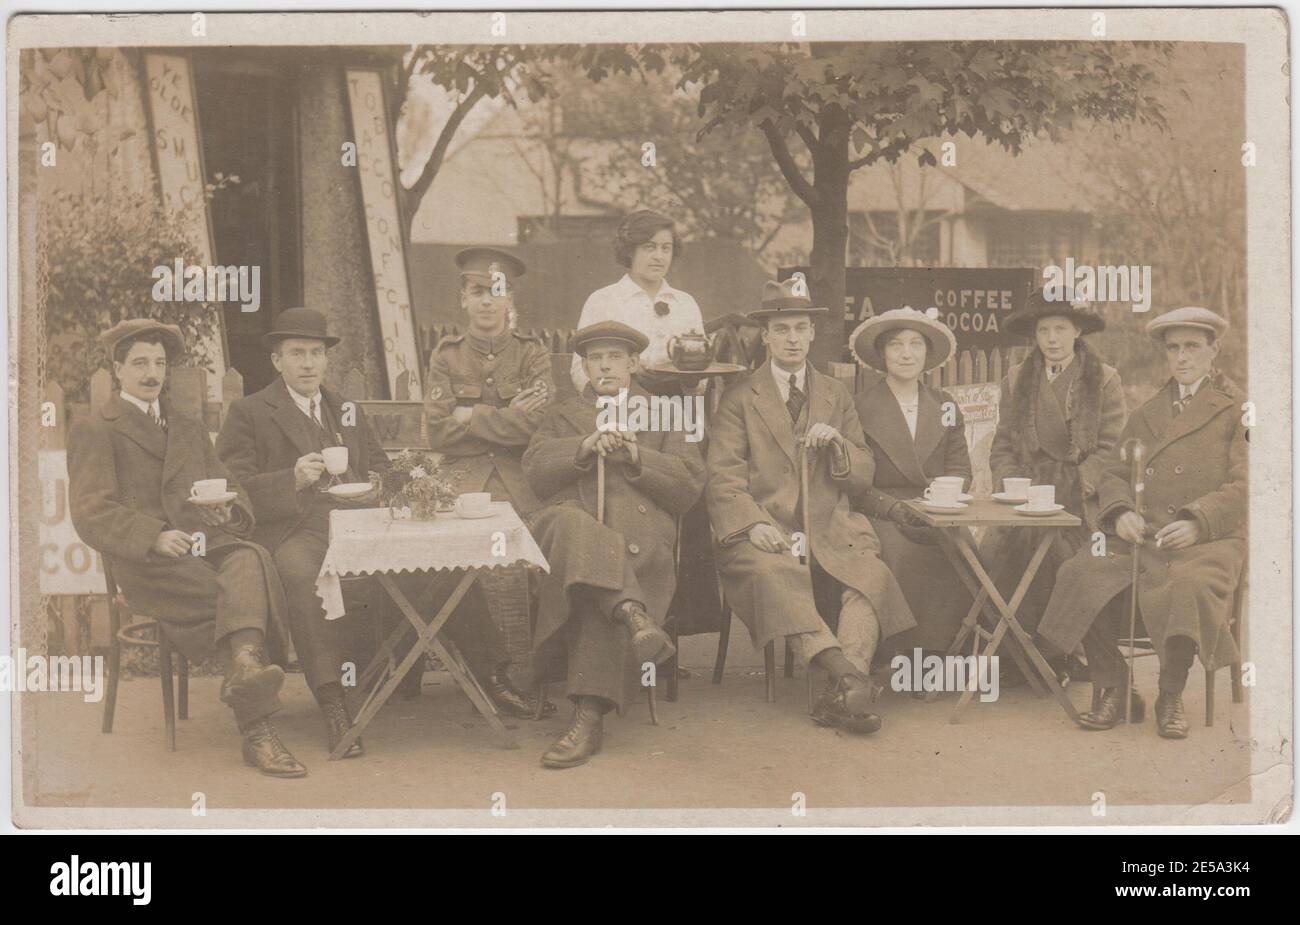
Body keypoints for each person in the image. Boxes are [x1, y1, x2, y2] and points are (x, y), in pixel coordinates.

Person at [217, 308, 543, 760]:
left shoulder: (343, 407)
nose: (308, 363)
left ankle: (491, 676)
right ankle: (333, 701)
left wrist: (405, 482)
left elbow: (379, 466)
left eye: (315, 353)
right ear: (277, 361)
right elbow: (233, 487)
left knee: (446, 559)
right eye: (296, 354)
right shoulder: (250, 412)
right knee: (299, 572)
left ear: (327, 360)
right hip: (297, 527)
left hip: (361, 521)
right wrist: (289, 479)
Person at [68, 319, 304, 778]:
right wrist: (152, 535)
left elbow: (230, 486)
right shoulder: (98, 428)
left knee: (250, 555)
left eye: (159, 362)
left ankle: (243, 667)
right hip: (149, 563)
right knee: (237, 595)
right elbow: (90, 511)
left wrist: (228, 514)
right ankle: (257, 730)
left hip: (200, 545)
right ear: (118, 370)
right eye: (139, 363)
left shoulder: (186, 424)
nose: (151, 372)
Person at [706, 280, 917, 734]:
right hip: (766, 533)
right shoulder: (740, 399)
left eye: (800, 328)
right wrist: (750, 524)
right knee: (772, 573)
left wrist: (839, 446)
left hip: (830, 528)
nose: (793, 338)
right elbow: (723, 479)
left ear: (812, 334)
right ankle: (850, 678)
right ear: (765, 336)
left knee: (870, 575)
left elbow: (864, 472)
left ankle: (838, 695)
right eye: (781, 329)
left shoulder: (835, 396)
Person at [1038, 307, 1246, 740]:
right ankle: (1114, 685)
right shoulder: (1149, 411)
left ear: (1213, 351)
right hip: (1142, 536)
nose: (1182, 357)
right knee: (1078, 571)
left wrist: (1198, 521)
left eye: (1192, 347)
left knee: (1186, 585)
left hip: (1206, 540)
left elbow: (1250, 484)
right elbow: (1113, 474)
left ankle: (1170, 695)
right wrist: (1121, 512)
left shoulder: (1237, 411)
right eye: (1174, 349)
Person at [523, 321, 705, 768]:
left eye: (614, 357)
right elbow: (534, 472)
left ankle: (588, 716)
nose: (604, 365)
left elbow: (689, 486)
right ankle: (632, 613)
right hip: (570, 530)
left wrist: (638, 454)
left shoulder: (663, 413)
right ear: (583, 367)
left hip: (638, 542)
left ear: (633, 363)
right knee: (574, 529)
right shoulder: (561, 413)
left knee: (598, 579)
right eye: (595, 359)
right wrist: (583, 447)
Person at [424, 248, 557, 700]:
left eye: (495, 292)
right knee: (467, 561)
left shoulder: (533, 354)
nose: (486, 301)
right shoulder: (446, 357)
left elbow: (537, 427)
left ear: (509, 299)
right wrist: (501, 415)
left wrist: (469, 415)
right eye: (477, 291)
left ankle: (527, 675)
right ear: (463, 298)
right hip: (464, 481)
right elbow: (439, 434)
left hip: (522, 478)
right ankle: (490, 674)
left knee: (534, 556)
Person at [986, 288, 1126, 641]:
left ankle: (1062, 650)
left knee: (1067, 559)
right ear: (1034, 335)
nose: (1052, 339)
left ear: (1077, 331)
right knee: (992, 555)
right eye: (1044, 330)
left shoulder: (1104, 379)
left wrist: (1071, 483)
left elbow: (1110, 450)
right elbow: (1002, 444)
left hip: (1079, 500)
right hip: (1025, 497)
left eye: (1061, 328)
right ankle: (1014, 653)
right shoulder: (1017, 378)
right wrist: (1013, 485)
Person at [848, 307, 974, 655]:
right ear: (881, 354)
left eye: (916, 344)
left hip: (937, 509)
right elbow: (855, 482)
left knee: (964, 551)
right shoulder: (860, 407)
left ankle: (949, 653)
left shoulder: (945, 404)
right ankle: (903, 656)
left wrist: (945, 498)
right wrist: (896, 510)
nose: (906, 354)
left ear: (927, 354)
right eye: (895, 345)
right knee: (900, 557)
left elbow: (961, 469)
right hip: (883, 511)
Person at [570, 209, 705, 395]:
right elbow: (580, 370)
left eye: (666, 248)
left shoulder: (685, 303)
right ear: (630, 250)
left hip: (676, 408)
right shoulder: (602, 300)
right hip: (618, 407)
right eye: (649, 247)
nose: (659, 256)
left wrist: (692, 382)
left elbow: (701, 379)